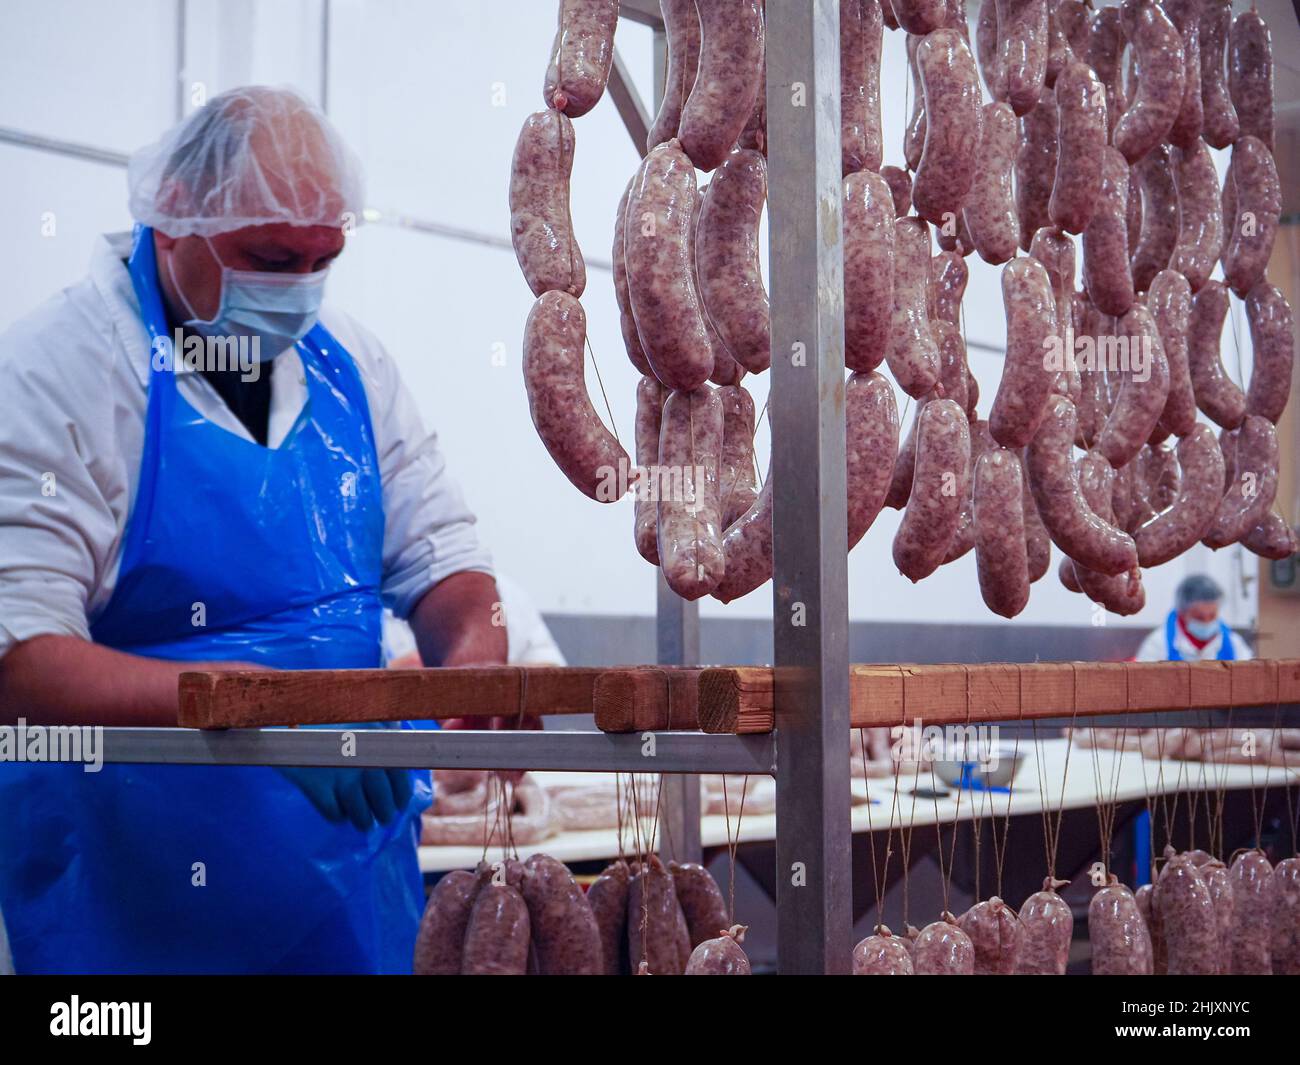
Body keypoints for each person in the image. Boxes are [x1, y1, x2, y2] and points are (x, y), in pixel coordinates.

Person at [0, 87, 508, 974]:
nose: (299, 287)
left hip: (350, 915)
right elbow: (23, 661)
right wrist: (265, 713)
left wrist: (464, 676)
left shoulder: (354, 369)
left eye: (323, 258)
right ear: (172, 224)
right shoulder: (58, 372)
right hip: (129, 925)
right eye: (270, 256)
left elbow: (451, 565)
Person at [1134, 574, 1253, 663]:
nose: (1207, 622)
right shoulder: (1157, 644)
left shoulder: (1235, 644)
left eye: (1212, 615)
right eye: (1199, 617)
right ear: (1182, 613)